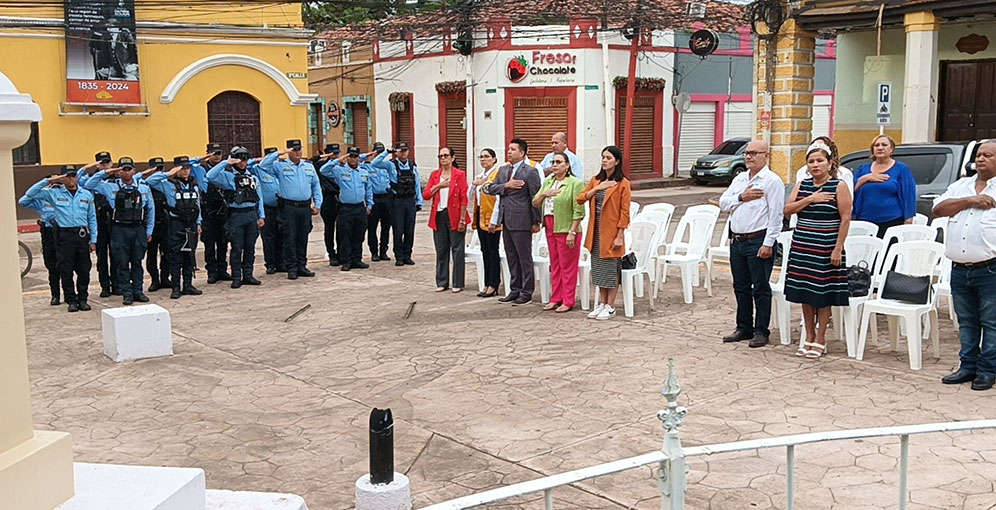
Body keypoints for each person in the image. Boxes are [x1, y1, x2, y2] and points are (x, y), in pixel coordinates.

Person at [932, 139, 996, 391]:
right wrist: (971, 200)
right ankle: (967, 366)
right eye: (979, 155)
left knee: (991, 322)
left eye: (988, 155)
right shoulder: (961, 186)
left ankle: (988, 370)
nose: (980, 159)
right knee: (967, 320)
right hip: (960, 269)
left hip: (990, 268)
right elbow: (939, 209)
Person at [783, 140, 852, 358]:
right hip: (803, 245)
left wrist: (837, 248)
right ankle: (808, 335)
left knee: (823, 294)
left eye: (820, 161)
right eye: (811, 161)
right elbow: (787, 209)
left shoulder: (839, 185)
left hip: (826, 246)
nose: (815, 165)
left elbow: (846, 218)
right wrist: (811, 198)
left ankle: (821, 337)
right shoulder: (802, 185)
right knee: (805, 292)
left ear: (830, 163)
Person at [718, 140, 784, 347]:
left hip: (758, 240)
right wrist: (741, 197)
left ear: (766, 156)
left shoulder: (772, 181)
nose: (749, 157)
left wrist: (768, 243)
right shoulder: (740, 179)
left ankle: (761, 330)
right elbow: (723, 202)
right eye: (747, 153)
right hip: (737, 240)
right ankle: (743, 327)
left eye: (755, 153)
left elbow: (776, 215)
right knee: (741, 286)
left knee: (761, 287)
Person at [24, 165, 97, 312]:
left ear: (77, 177)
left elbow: (92, 218)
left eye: (73, 175)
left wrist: (93, 240)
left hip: (82, 234)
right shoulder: (54, 193)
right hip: (64, 235)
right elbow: (30, 194)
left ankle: (82, 299)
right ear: (63, 178)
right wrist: (50, 180)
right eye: (68, 176)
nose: (71, 179)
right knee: (66, 269)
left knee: (84, 269)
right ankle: (71, 300)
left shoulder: (86, 194)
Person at [84, 157, 155, 305]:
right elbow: (88, 184)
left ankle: (138, 291)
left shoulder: (143, 187)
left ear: (134, 171)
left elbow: (151, 210)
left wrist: (149, 230)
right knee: (122, 262)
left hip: (137, 228)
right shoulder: (109, 186)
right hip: (119, 228)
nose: (126, 172)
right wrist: (106, 172)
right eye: (123, 169)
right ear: (119, 171)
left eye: (129, 169)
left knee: (137, 261)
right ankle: (126, 293)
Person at [577, 146, 632, 320]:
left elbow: (625, 211)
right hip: (596, 230)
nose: (604, 160)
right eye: (603, 157)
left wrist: (620, 234)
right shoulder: (596, 180)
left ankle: (611, 305)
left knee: (611, 269)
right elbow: (581, 198)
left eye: (608, 158)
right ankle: (601, 302)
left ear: (616, 161)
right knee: (599, 269)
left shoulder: (623, 183)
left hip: (612, 231)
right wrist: (599, 188)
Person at [485, 139, 541, 305]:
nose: (509, 152)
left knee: (524, 257)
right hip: (505, 218)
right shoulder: (503, 170)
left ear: (522, 153)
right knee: (511, 256)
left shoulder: (530, 172)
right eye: (508, 149)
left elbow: (535, 197)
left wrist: (536, 220)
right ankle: (514, 289)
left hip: (522, 219)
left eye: (513, 149)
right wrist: (506, 186)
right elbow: (489, 188)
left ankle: (527, 291)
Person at [258, 139, 323, 279]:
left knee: (302, 238)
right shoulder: (279, 166)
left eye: (299, 149)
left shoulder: (308, 166)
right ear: (288, 151)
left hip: (305, 208)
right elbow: (263, 165)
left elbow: (316, 186)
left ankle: (301, 265)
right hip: (289, 207)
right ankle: (292, 267)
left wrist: (317, 204)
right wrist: (280, 153)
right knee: (289, 238)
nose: (298, 152)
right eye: (294, 150)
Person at [145, 156, 204, 299]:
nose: (185, 171)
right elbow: (149, 181)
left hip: (191, 223)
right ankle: (176, 287)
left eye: (187, 168)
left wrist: (199, 222)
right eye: (182, 168)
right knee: (176, 257)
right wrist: (169, 173)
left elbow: (197, 204)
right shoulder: (167, 183)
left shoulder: (193, 184)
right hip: (176, 223)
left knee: (189, 256)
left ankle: (188, 285)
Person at [533, 152, 585, 312]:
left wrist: (572, 231)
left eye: (558, 162)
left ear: (567, 165)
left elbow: (579, 210)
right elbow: (535, 201)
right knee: (555, 264)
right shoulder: (549, 181)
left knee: (567, 265)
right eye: (553, 162)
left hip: (566, 226)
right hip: (550, 225)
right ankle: (556, 297)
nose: (554, 165)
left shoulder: (575, 183)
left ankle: (568, 299)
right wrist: (544, 194)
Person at [208, 147, 266, 288]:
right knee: (236, 248)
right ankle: (236, 277)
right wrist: (226, 162)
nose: (242, 163)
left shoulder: (253, 177)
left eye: (245, 160)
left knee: (250, 247)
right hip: (236, 215)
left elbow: (259, 197)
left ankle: (248, 275)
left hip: (251, 214)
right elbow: (210, 176)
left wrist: (261, 215)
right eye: (239, 160)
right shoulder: (228, 177)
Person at [424, 146, 470, 292]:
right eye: (440, 156)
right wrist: (439, 185)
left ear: (452, 157)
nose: (443, 159)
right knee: (441, 249)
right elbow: (426, 195)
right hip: (439, 215)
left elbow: (464, 198)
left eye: (445, 156)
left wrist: (462, 219)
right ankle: (442, 281)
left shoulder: (459, 174)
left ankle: (457, 283)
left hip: (455, 215)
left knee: (457, 250)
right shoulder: (435, 175)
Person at [319, 147, 373, 271]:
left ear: (359, 158)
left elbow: (368, 190)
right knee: (345, 235)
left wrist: (369, 205)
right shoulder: (339, 170)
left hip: (360, 207)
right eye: (351, 156)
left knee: (359, 235)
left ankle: (357, 259)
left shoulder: (363, 172)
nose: (353, 159)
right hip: (346, 208)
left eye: (355, 156)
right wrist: (339, 159)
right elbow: (323, 170)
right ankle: (346, 261)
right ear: (347, 157)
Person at [852, 135, 917, 237]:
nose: (880, 147)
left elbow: (908, 195)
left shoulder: (901, 169)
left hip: (892, 221)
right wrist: (866, 178)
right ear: (872, 150)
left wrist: (908, 219)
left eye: (884, 145)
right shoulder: (862, 169)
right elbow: (850, 191)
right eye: (876, 145)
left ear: (891, 149)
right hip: (864, 221)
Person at [374, 141, 422, 266]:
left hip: (410, 200)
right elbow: (375, 163)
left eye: (405, 150)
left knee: (409, 229)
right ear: (397, 152)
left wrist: (419, 201)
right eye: (400, 150)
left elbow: (417, 184)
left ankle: (408, 255)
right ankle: (399, 256)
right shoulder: (391, 165)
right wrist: (387, 152)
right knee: (398, 229)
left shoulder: (412, 166)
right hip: (397, 201)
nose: (403, 153)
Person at [191, 143, 232, 284]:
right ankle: (212, 272)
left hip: (223, 208)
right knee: (209, 242)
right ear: (208, 153)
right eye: (213, 153)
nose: (217, 156)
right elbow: (187, 164)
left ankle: (222, 269)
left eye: (219, 153)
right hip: (208, 209)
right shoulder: (200, 168)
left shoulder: (227, 167)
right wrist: (201, 158)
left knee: (223, 241)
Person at [79, 151, 117, 297]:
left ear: (112, 163)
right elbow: (80, 180)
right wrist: (90, 168)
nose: (105, 165)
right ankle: (105, 286)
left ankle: (117, 284)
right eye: (101, 163)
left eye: (107, 162)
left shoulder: (117, 179)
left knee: (116, 255)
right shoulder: (89, 179)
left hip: (114, 221)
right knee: (102, 258)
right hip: (99, 221)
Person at [18, 191, 61, 305]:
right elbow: (23, 201)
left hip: (64, 232)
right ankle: (55, 295)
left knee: (66, 266)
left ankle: (69, 295)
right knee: (51, 265)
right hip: (49, 233)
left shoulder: (66, 196)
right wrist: (43, 186)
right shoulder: (43, 199)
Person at [470, 148, 501, 298]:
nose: (483, 160)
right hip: (481, 216)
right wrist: (474, 183)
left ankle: (494, 283)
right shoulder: (480, 176)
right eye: (481, 157)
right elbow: (470, 195)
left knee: (493, 251)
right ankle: (487, 282)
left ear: (494, 159)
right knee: (485, 251)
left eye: (487, 157)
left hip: (492, 217)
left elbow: (498, 199)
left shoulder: (497, 175)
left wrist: (495, 220)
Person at [251, 147, 285, 274]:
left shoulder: (280, 169)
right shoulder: (258, 169)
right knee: (268, 237)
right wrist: (259, 160)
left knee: (282, 235)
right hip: (267, 209)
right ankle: (270, 264)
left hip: (282, 208)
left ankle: (281, 262)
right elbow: (247, 163)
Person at [140, 158, 171, 292]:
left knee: (166, 254)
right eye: (155, 169)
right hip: (150, 226)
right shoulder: (144, 185)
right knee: (151, 255)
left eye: (160, 169)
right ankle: (154, 280)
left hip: (165, 225)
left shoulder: (166, 183)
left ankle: (165, 278)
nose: (159, 171)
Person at [365, 142, 393, 261]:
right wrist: (371, 154)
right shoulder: (366, 166)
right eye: (377, 152)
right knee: (372, 227)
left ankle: (383, 251)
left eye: (381, 152)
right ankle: (374, 252)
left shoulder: (387, 165)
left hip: (386, 198)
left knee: (386, 226)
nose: (379, 154)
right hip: (374, 198)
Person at [315, 144, 341, 267]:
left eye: (337, 153)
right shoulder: (321, 165)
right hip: (328, 198)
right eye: (333, 153)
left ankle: (342, 252)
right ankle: (332, 254)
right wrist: (323, 157)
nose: (336, 156)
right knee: (329, 228)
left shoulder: (341, 166)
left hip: (340, 198)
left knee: (342, 228)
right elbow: (311, 161)